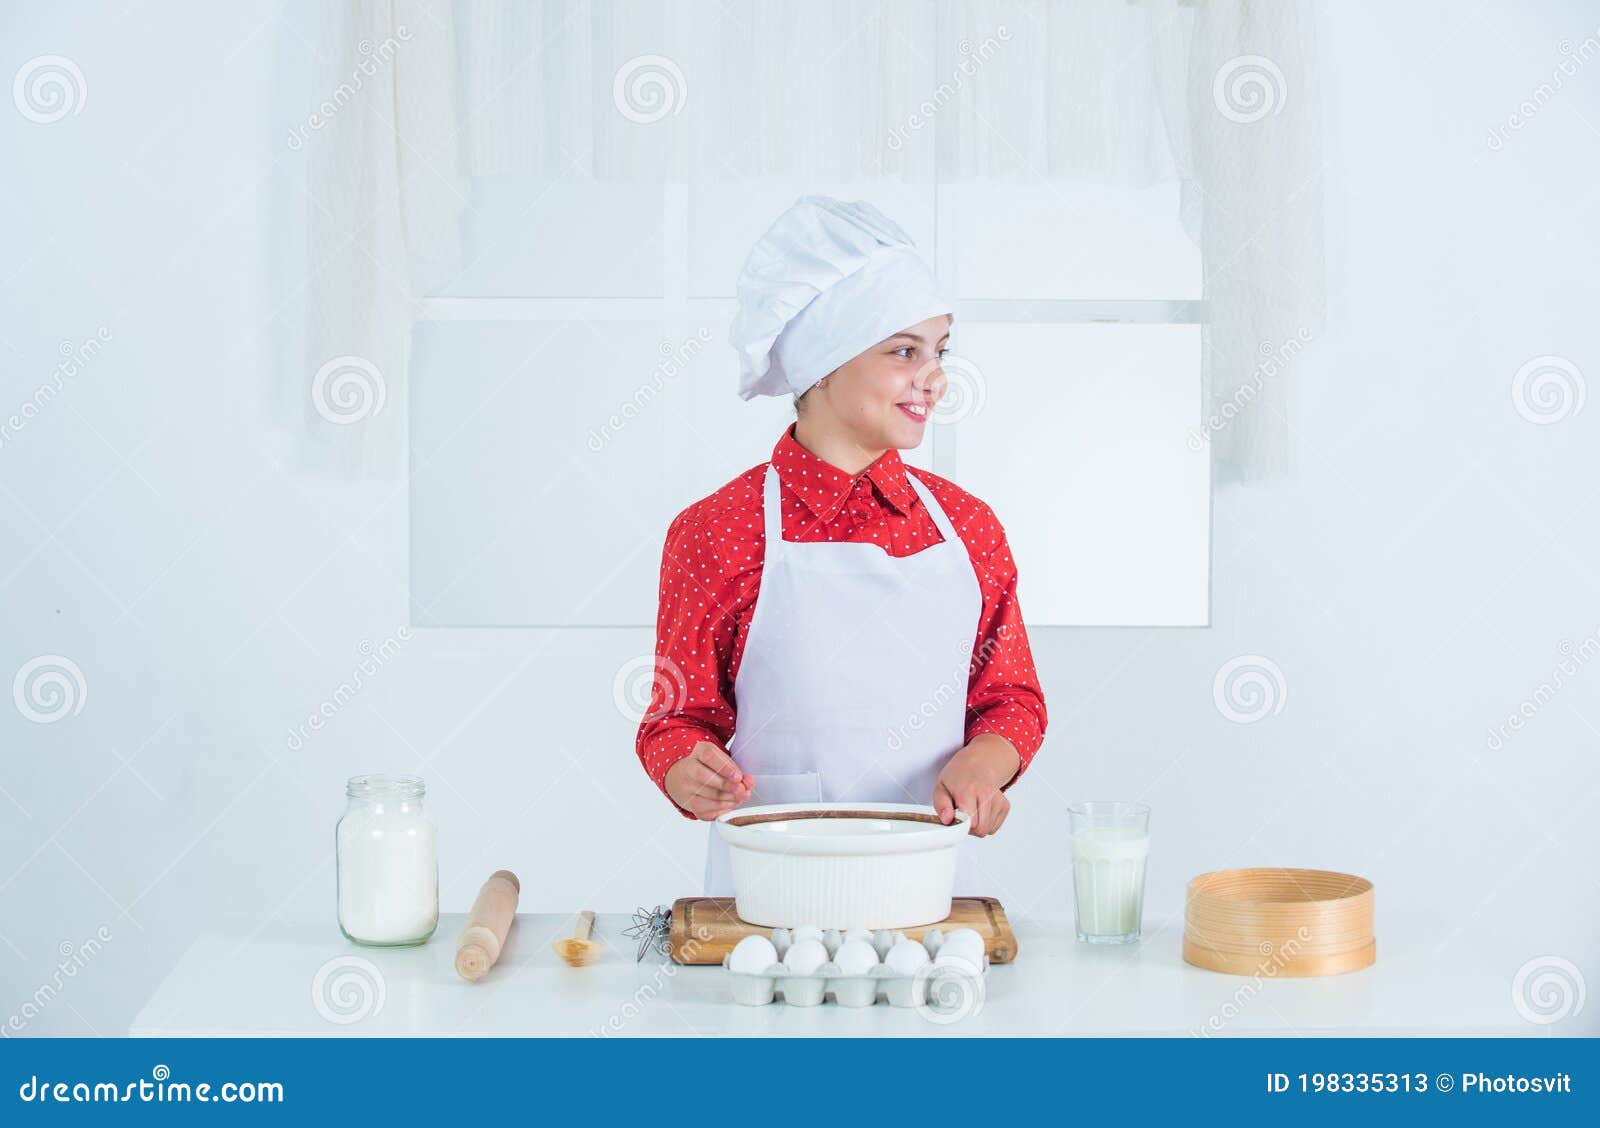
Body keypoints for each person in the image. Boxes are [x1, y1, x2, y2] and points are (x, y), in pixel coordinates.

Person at [635, 196, 1047, 894]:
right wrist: (685, 767)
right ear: (823, 363)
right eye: (903, 351)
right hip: (769, 889)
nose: (934, 377)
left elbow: (1011, 699)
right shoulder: (717, 529)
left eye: (939, 351)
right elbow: (677, 718)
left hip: (928, 884)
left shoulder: (969, 526)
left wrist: (986, 763)